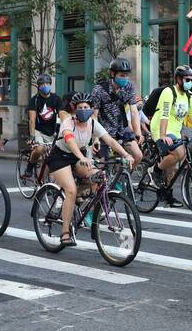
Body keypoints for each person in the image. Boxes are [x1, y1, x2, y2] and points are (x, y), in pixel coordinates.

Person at [44, 91, 135, 246]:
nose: (84, 109)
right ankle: (65, 233)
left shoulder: (93, 123)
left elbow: (110, 141)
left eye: (87, 106)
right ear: (74, 108)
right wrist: (82, 157)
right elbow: (70, 141)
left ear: (92, 108)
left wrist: (126, 154)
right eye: (80, 107)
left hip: (78, 157)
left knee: (98, 176)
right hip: (60, 157)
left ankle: (74, 201)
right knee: (71, 189)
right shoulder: (68, 123)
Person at [149, 65, 192, 193]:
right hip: (160, 128)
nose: (189, 82)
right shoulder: (169, 92)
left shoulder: (189, 95)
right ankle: (155, 170)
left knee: (172, 167)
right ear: (178, 79)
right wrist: (163, 135)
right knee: (180, 152)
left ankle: (167, 194)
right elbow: (164, 114)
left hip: (175, 131)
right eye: (186, 79)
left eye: (191, 80)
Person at [90, 58, 144, 168]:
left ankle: (123, 179)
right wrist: (95, 138)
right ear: (112, 74)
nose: (125, 78)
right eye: (122, 75)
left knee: (138, 156)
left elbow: (134, 112)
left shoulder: (128, 87)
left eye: (127, 75)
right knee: (102, 166)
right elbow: (94, 116)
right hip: (104, 131)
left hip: (122, 129)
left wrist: (138, 132)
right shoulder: (99, 90)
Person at [27, 74, 66, 169]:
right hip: (38, 130)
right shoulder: (34, 100)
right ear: (39, 86)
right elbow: (32, 119)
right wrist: (32, 136)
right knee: (39, 149)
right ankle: (30, 165)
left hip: (52, 131)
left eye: (47, 83)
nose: (45, 86)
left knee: (55, 156)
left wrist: (66, 129)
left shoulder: (56, 98)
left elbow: (63, 115)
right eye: (42, 84)